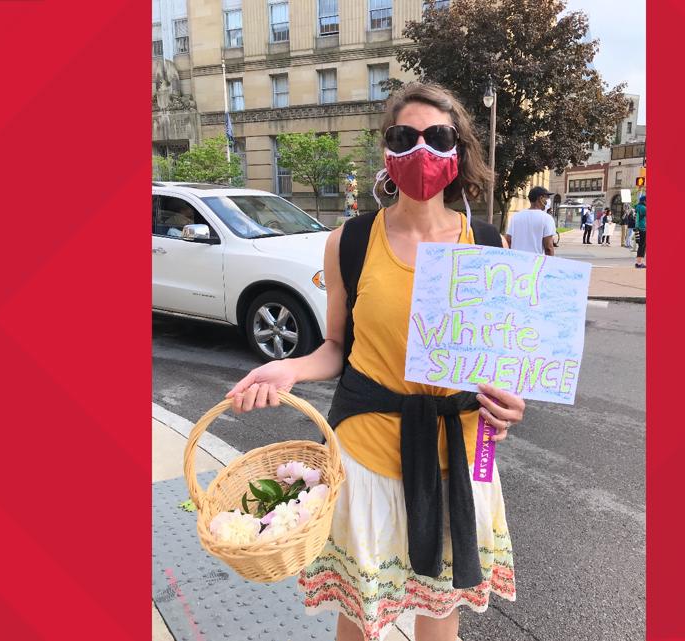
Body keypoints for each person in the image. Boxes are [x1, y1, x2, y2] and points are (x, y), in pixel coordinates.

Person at [226, 82, 523, 641]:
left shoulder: (488, 246)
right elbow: (335, 347)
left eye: (436, 136)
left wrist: (506, 404)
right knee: (363, 616)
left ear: (457, 151)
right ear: (386, 150)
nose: (420, 149)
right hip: (366, 458)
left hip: (461, 455)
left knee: (441, 612)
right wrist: (288, 368)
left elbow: (496, 365)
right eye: (402, 136)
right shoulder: (350, 241)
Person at [505, 186, 557, 256]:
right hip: (535, 263)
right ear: (540, 198)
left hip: (516, 262)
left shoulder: (516, 216)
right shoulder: (547, 218)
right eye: (547, 197)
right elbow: (548, 248)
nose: (548, 200)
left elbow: (508, 241)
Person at [634, 194, 647, 268]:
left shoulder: (637, 207)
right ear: (644, 201)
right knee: (642, 246)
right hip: (643, 228)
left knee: (641, 245)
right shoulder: (643, 208)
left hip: (638, 228)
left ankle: (638, 262)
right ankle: (639, 263)